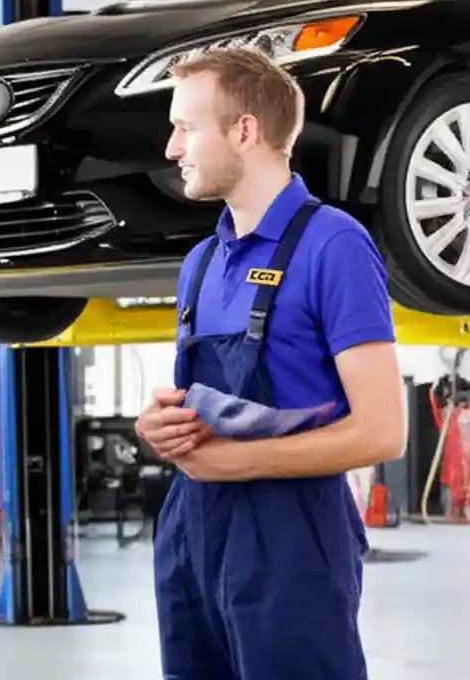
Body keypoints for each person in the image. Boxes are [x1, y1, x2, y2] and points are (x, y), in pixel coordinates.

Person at [135, 46, 407, 679]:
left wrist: (233, 463)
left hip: (292, 543)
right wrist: (159, 431)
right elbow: (204, 411)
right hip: (191, 534)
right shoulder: (201, 262)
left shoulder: (334, 245)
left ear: (245, 131)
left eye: (185, 127)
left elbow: (382, 430)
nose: (173, 149)